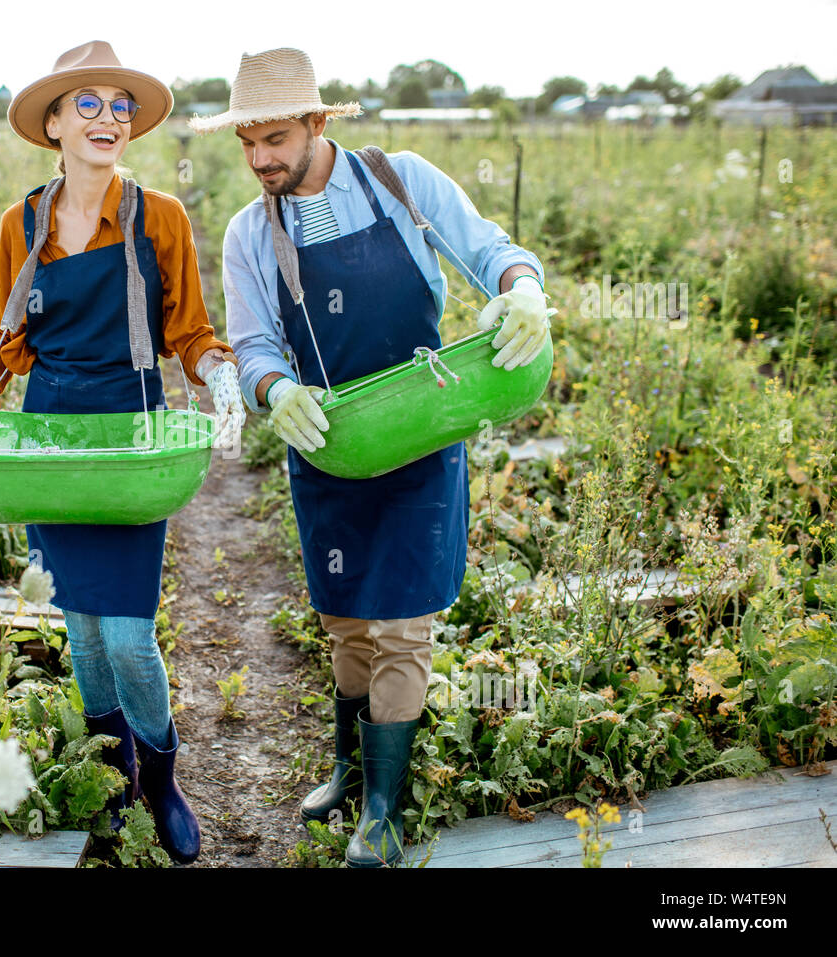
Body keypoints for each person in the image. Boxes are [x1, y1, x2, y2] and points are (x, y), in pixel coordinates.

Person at [190, 47, 551, 867]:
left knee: (400, 626)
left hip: (422, 433)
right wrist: (273, 389)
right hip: (332, 444)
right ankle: (351, 769)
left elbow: (493, 250)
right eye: (246, 144)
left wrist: (522, 288)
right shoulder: (252, 232)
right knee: (345, 619)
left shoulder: (402, 182)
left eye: (275, 138)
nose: (260, 160)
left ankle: (383, 810)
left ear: (319, 124)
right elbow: (252, 345)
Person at [0, 40, 245, 865]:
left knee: (129, 635)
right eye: (88, 104)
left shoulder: (159, 216)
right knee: (84, 634)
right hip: (51, 437)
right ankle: (114, 779)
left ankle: (163, 782)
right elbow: (2, 341)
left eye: (119, 105)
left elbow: (192, 333)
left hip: (130, 438)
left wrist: (223, 379)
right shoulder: (21, 225)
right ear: (54, 124)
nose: (108, 118)